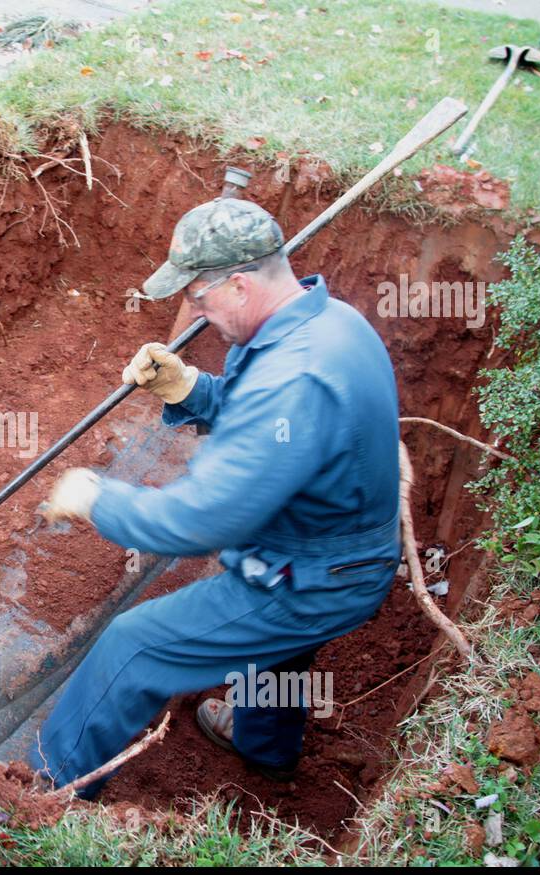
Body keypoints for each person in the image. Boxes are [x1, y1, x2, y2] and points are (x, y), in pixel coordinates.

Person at [31, 197, 401, 793]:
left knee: (134, 645)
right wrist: (190, 389)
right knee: (281, 649)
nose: (193, 309)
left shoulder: (293, 377)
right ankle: (264, 742)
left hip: (312, 577)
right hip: (343, 555)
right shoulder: (329, 324)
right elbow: (276, 427)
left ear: (238, 284)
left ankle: (41, 793)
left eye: (197, 297)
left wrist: (98, 498)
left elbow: (201, 519)